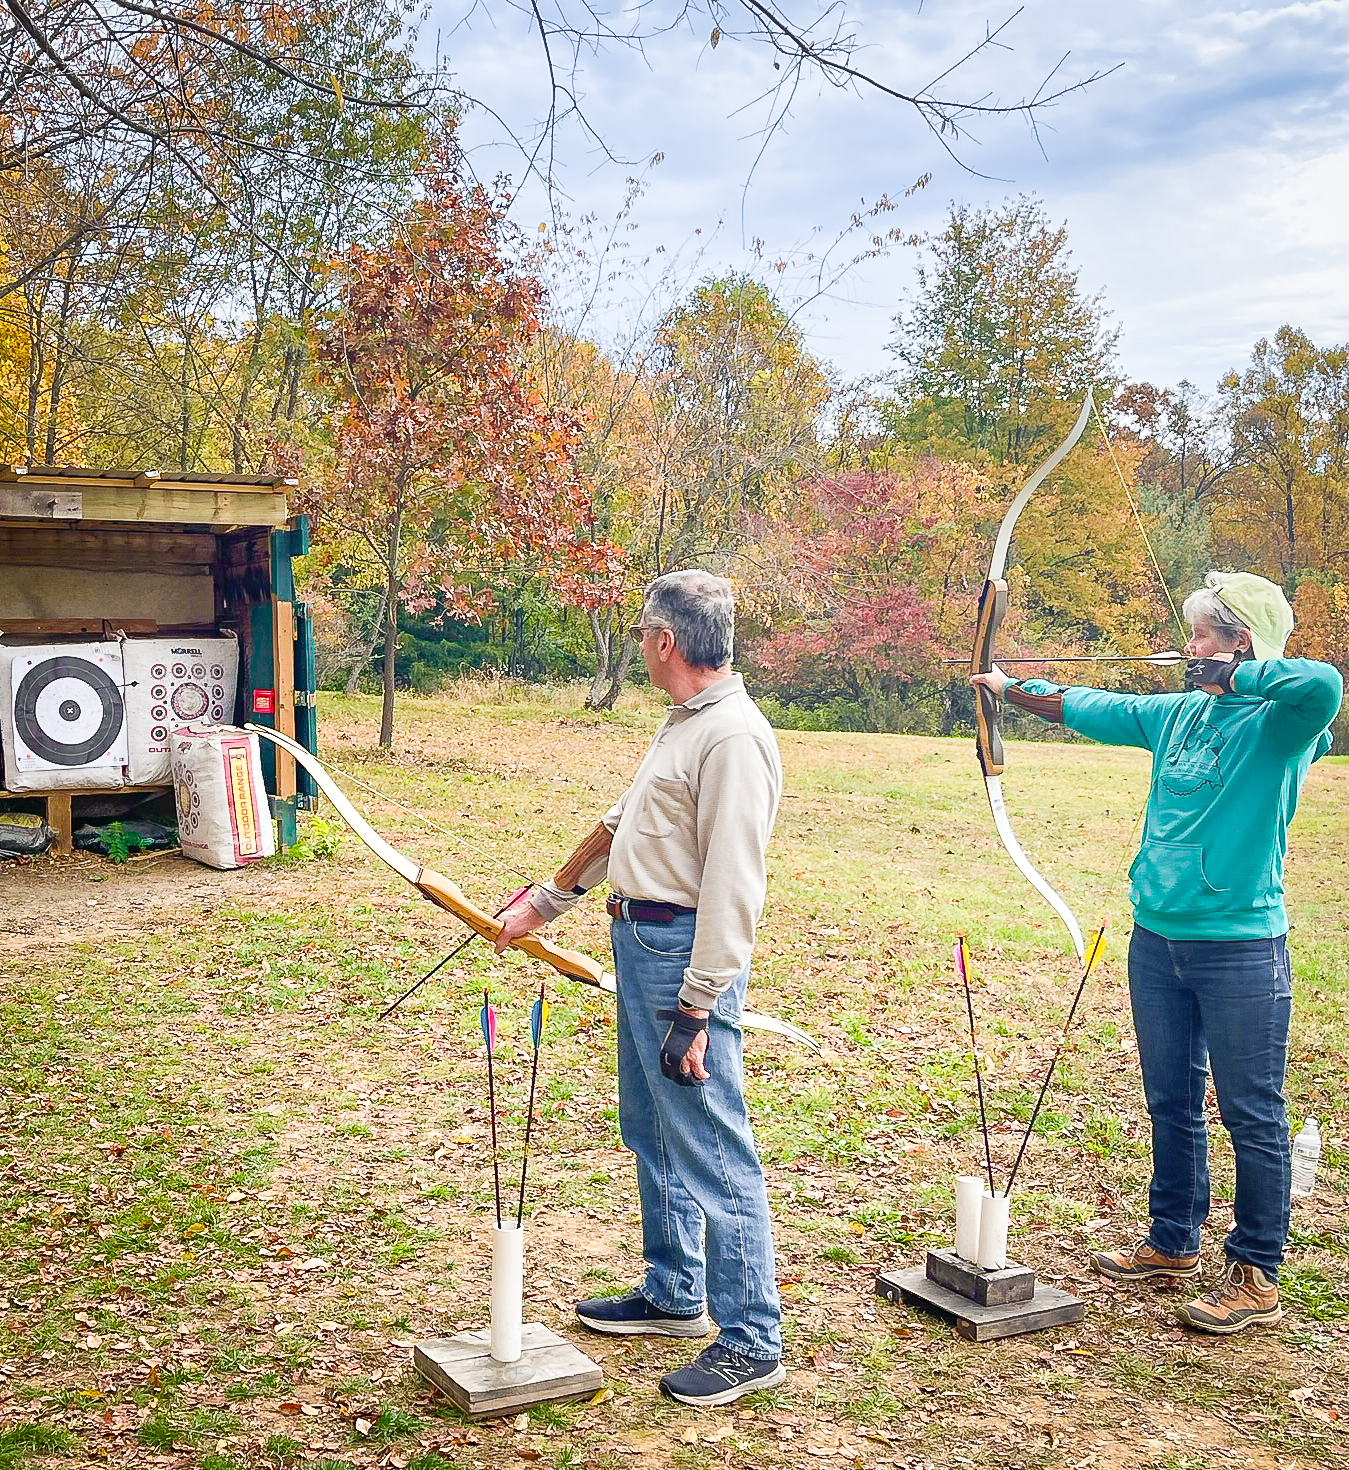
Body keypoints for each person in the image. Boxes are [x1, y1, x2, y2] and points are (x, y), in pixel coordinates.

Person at [971, 571, 1341, 1334]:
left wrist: (1236, 675)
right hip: (1157, 938)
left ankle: (1255, 1274)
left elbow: (1322, 684)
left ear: (1239, 642)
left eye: (1202, 635)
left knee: (1250, 1112)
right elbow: (1096, 706)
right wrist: (1008, 689)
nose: (1188, 647)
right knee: (1170, 1099)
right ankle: (1172, 1241)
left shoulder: (1281, 725)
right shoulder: (1176, 714)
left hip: (1240, 945)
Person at [494, 569, 788, 1405]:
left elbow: (734, 884)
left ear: (665, 642)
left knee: (710, 1145)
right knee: (651, 1129)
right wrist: (547, 900)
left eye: (640, 635)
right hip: (638, 939)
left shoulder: (733, 737)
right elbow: (621, 822)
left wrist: (695, 1008)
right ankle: (673, 1292)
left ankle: (752, 1339)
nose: (639, 647)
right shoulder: (685, 721)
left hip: (679, 957)